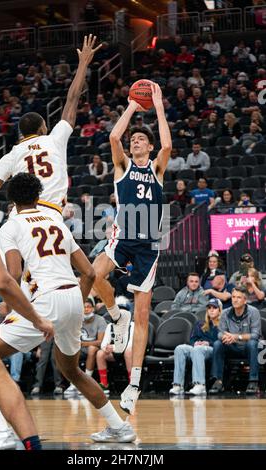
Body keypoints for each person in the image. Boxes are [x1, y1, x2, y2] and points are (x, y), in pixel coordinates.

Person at [0, 172, 136, 446]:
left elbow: (11, 274)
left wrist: (11, 305)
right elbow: (90, 273)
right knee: (72, 371)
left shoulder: (11, 226)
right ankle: (120, 427)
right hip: (72, 297)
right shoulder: (56, 221)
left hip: (45, 302)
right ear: (38, 197)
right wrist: (78, 304)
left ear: (11, 200)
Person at [0, 34, 102, 327]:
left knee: (0, 275)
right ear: (43, 127)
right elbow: (72, 98)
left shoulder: (12, 153)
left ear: (20, 135)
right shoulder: (54, 139)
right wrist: (82, 64)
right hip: (50, 218)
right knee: (74, 273)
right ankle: (88, 320)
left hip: (19, 219)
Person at [0, 138, 54, 450]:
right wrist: (36, 318)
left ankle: (0, 431)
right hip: (50, 297)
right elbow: (3, 279)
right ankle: (27, 443)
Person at [92, 83, 172, 414]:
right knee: (92, 274)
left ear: (149, 148)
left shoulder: (155, 168)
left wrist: (157, 105)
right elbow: (113, 138)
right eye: (133, 140)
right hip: (123, 238)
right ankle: (114, 314)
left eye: (141, 139)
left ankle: (134, 383)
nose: (134, 141)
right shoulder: (122, 166)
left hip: (148, 246)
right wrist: (130, 106)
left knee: (142, 314)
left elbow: (168, 143)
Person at [209, 287, 261, 395]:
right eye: (233, 297)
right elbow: (219, 333)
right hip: (231, 346)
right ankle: (218, 381)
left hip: (247, 347)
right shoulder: (225, 313)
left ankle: (253, 382)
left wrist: (236, 337)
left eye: (238, 297)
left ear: (245, 300)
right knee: (218, 344)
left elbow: (256, 335)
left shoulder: (253, 312)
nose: (235, 300)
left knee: (253, 343)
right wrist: (225, 337)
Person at [169, 298, 222, 396]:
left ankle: (200, 385)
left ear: (220, 310)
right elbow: (192, 339)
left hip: (213, 349)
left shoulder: (223, 325)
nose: (211, 310)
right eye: (209, 307)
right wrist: (196, 343)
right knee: (180, 348)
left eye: (214, 307)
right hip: (198, 348)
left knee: (198, 349)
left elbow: (221, 341)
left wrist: (207, 343)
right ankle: (178, 385)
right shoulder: (200, 324)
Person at [64, 296, 107, 396]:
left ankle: (86, 382)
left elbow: (100, 342)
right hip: (79, 347)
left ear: (93, 308)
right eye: (84, 307)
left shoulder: (100, 320)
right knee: (71, 349)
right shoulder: (77, 320)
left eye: (89, 307)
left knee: (92, 349)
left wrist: (84, 344)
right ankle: (73, 383)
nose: (86, 309)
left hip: (95, 347)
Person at [97, 320, 134, 396]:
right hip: (115, 352)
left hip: (131, 351)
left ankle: (132, 385)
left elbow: (130, 343)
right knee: (100, 353)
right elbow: (104, 343)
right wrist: (106, 348)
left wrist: (114, 347)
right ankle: (104, 384)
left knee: (128, 351)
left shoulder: (132, 325)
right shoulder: (110, 325)